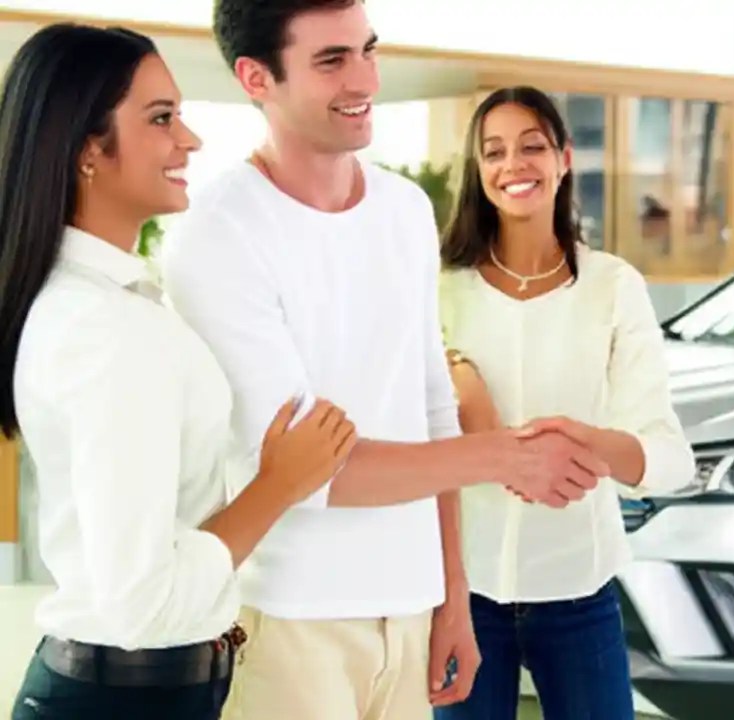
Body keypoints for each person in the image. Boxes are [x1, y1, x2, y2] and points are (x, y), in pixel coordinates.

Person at [161, 3, 609, 719]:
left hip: (410, 610)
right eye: (331, 60)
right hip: (287, 618)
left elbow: (431, 406)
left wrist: (450, 595)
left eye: (367, 50)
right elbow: (307, 473)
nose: (365, 77)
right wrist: (503, 456)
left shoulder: (402, 209)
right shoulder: (217, 235)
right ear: (256, 77)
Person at [0, 23, 355, 720]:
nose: (188, 140)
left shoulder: (110, 303)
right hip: (123, 698)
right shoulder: (104, 327)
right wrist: (279, 485)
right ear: (85, 151)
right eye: (161, 118)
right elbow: (139, 602)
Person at [434, 86, 695, 720]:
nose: (512, 165)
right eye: (493, 151)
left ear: (564, 158)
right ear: (478, 170)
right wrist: (463, 382)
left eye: (531, 147)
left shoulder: (613, 286)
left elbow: (670, 459)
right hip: (463, 594)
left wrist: (588, 446)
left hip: (581, 592)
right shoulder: (440, 287)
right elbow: (418, 434)